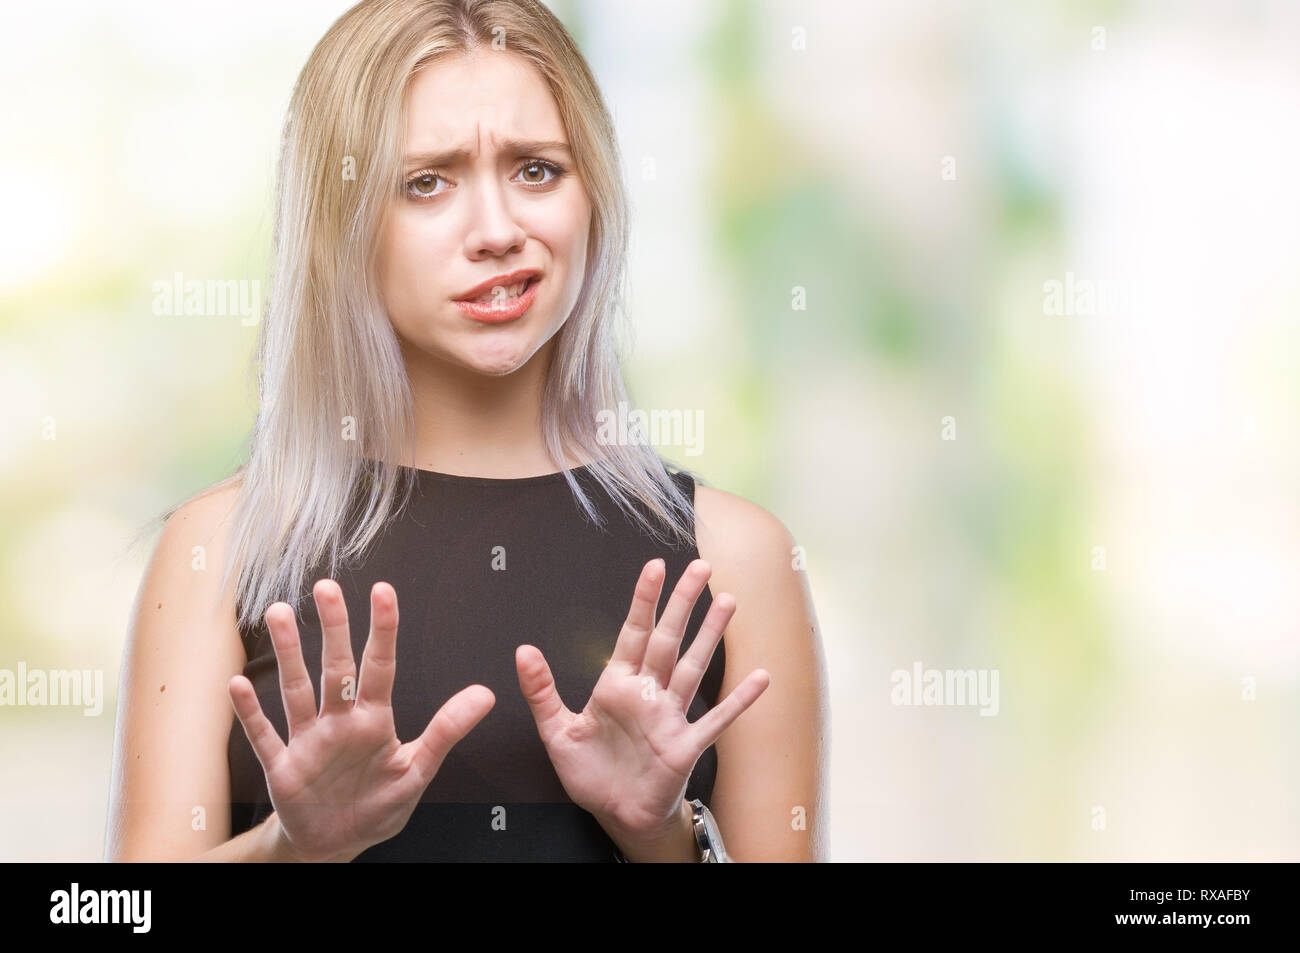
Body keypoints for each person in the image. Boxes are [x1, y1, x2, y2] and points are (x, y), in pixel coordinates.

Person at [105, 0, 827, 862]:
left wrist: (662, 834)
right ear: (341, 223)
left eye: (535, 170)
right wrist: (291, 848)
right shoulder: (221, 549)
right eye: (427, 181)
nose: (498, 232)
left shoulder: (736, 556)